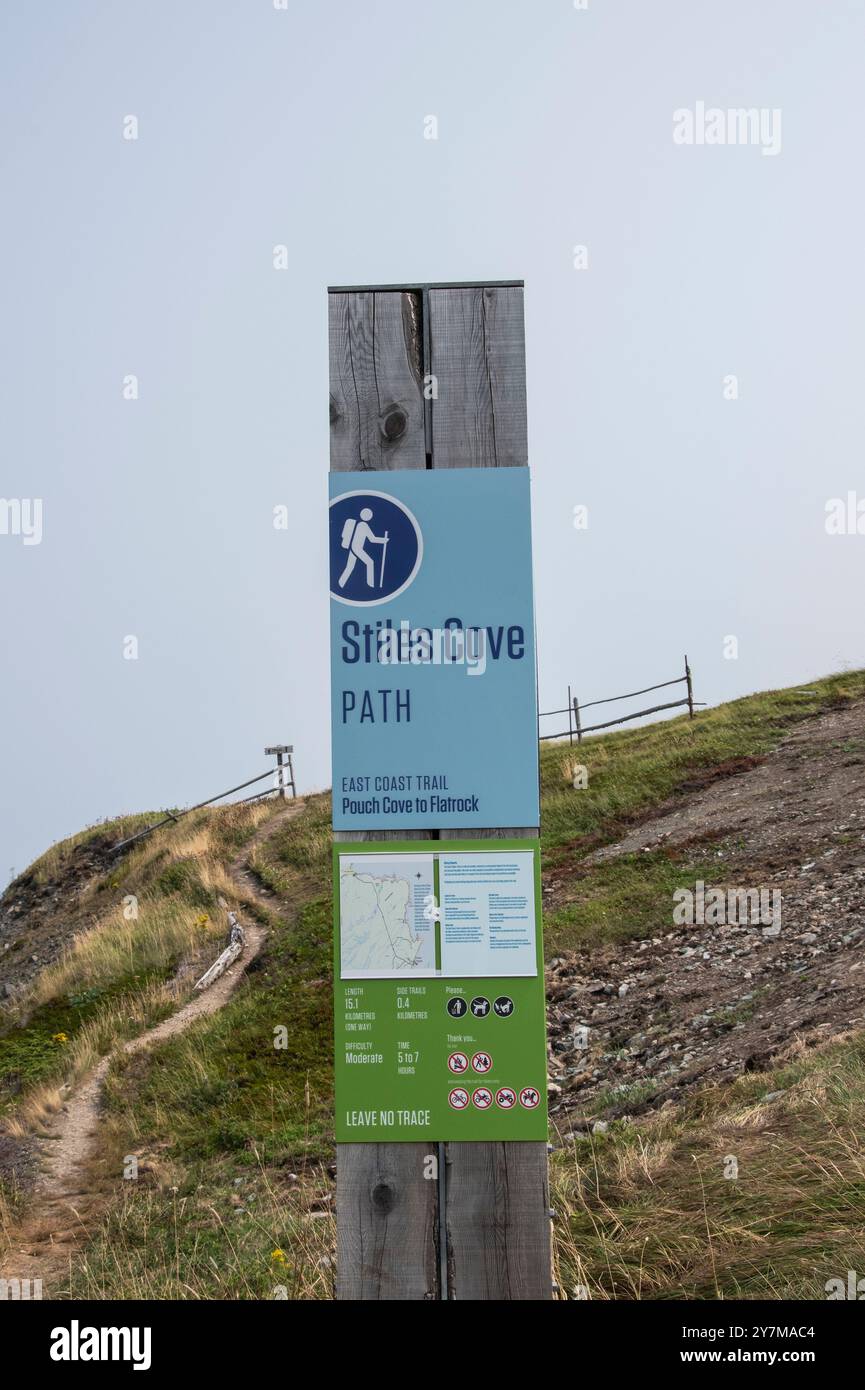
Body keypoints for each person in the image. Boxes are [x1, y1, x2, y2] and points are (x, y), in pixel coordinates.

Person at [338, 508, 388, 589]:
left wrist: (383, 541)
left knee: (350, 567)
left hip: (352, 548)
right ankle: (370, 585)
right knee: (370, 562)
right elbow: (372, 539)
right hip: (357, 549)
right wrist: (384, 541)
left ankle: (340, 584)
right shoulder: (363, 525)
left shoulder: (359, 524)